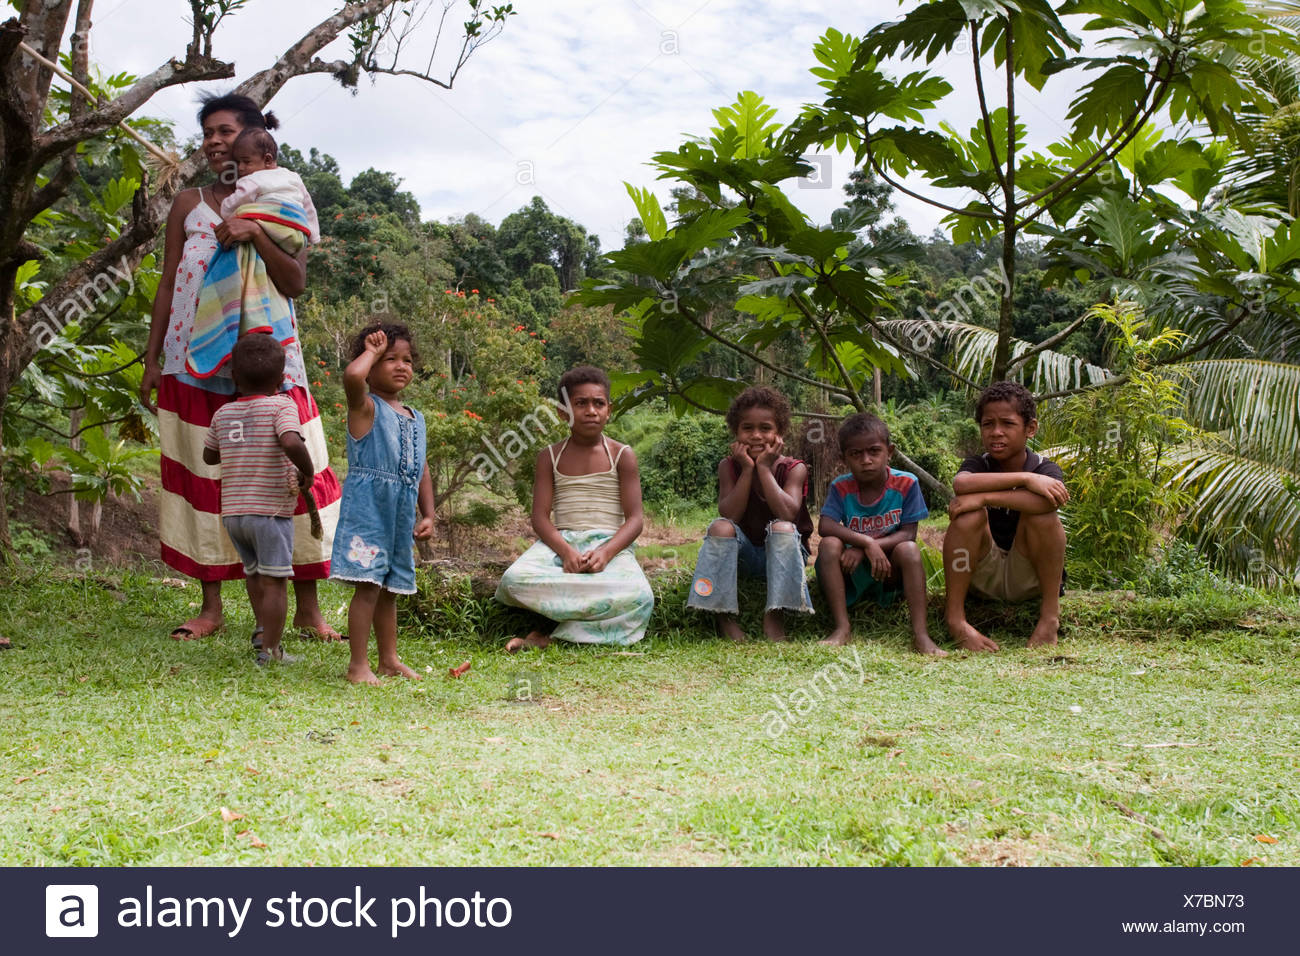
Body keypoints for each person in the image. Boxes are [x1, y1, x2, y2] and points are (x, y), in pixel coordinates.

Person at [139, 91, 342, 643]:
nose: (213, 142)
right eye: (207, 133)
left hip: (272, 360)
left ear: (257, 141)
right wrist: (154, 358)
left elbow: (295, 282)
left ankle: (307, 607)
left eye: (225, 131)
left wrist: (253, 231)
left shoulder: (282, 201)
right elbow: (168, 284)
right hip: (194, 357)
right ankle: (211, 606)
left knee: (295, 470)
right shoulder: (189, 203)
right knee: (206, 475)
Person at [496, 366, 654, 650]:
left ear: (609, 410)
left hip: (609, 545)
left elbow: (635, 520)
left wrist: (606, 553)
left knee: (641, 596)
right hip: (561, 544)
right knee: (513, 580)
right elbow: (540, 518)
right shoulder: (549, 456)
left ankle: (551, 635)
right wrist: (566, 552)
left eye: (598, 403)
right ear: (562, 412)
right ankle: (578, 623)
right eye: (580, 403)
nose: (591, 410)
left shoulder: (622, 455)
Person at [329, 322, 435, 685]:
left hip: (401, 513)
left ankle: (389, 659)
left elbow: (422, 468)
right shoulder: (365, 407)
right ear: (371, 365)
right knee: (368, 586)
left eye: (407, 359)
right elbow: (351, 378)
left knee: (390, 589)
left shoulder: (415, 417)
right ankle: (358, 664)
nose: (401, 366)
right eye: (390, 359)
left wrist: (429, 513)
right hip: (369, 509)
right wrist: (370, 352)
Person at [202, 334, 315, 664]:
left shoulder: (223, 413)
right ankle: (271, 651)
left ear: (234, 377)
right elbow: (292, 442)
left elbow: (210, 456)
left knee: (254, 575)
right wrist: (306, 472)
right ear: (282, 379)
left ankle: (262, 633)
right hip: (269, 513)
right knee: (276, 582)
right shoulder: (282, 405)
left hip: (235, 515)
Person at [943, 381, 1069, 651]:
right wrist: (1026, 479)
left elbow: (1047, 504)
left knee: (1043, 517)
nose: (996, 432)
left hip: (1028, 576)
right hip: (982, 573)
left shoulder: (1045, 469)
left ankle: (1049, 618)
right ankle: (955, 619)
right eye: (988, 424)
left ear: (1030, 429)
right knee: (967, 517)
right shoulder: (979, 464)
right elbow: (962, 485)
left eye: (1007, 424)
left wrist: (985, 496)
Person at [686, 386, 813, 641]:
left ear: (779, 433)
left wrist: (764, 468)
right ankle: (723, 615)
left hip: (785, 555)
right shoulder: (729, 466)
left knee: (782, 528)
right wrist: (747, 470)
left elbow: (787, 513)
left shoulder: (794, 468)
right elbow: (730, 514)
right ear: (736, 432)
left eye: (765, 428)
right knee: (720, 527)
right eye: (747, 428)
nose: (756, 436)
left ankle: (776, 614)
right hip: (743, 557)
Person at [816, 413, 945, 656]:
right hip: (852, 570)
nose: (866, 460)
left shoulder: (907, 483)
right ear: (844, 458)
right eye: (856, 454)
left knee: (909, 549)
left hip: (889, 569)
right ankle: (842, 627)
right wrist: (865, 542)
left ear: (890, 451)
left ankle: (921, 635)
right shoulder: (841, 487)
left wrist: (871, 546)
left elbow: (909, 533)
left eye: (874, 451)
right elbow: (826, 526)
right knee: (829, 544)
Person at [219, 128, 321, 243]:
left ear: (267, 159)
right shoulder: (293, 176)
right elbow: (308, 206)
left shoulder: (253, 179)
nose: (240, 167)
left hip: (270, 228)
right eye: (238, 162)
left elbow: (238, 200)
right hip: (296, 234)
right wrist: (314, 235)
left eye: (246, 162)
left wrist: (225, 210)